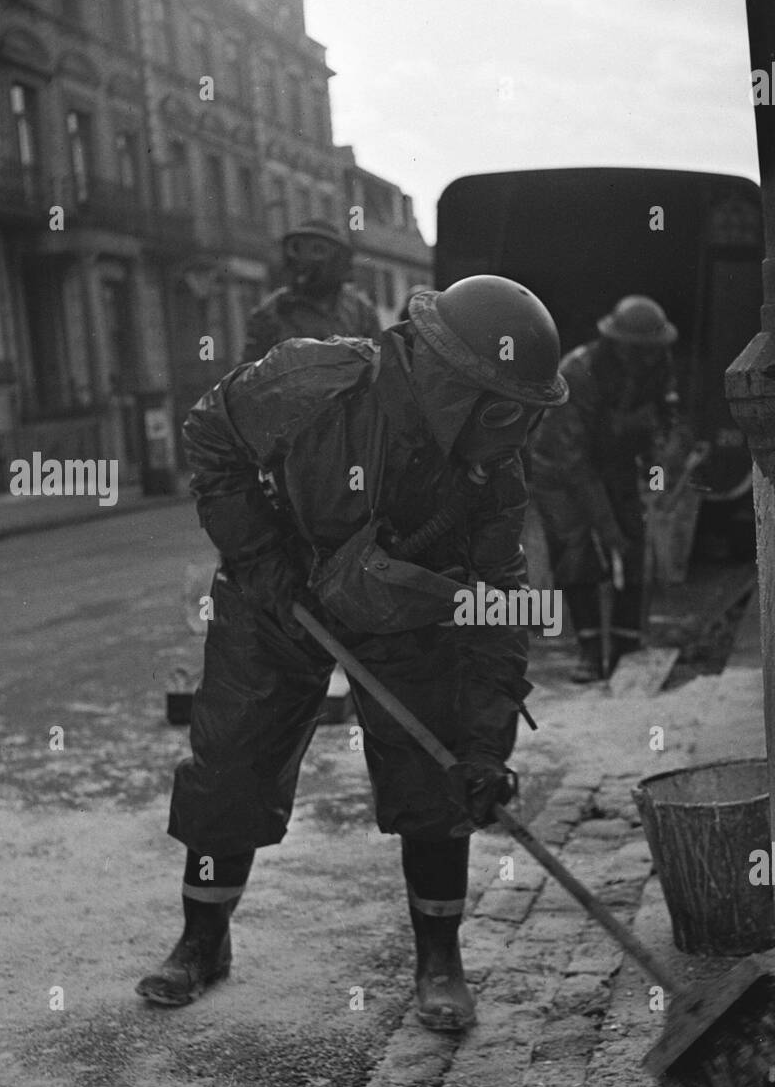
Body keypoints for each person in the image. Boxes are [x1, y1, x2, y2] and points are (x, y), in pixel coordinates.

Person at [137, 276, 569, 1032]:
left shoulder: (492, 473)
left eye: (526, 414)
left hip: (406, 607)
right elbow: (212, 437)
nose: (516, 433)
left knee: (437, 776)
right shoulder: (315, 379)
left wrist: (482, 742)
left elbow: (498, 600)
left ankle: (440, 960)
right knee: (232, 766)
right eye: (505, 410)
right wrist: (263, 557)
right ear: (449, 381)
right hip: (280, 592)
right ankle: (201, 941)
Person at [528, 295, 688, 681]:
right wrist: (607, 529)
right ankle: (589, 653)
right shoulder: (578, 373)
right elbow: (574, 464)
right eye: (642, 351)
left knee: (634, 546)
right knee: (576, 551)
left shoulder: (658, 364)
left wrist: (658, 465)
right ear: (619, 344)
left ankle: (626, 649)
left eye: (655, 351)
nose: (650, 358)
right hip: (560, 471)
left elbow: (664, 420)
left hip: (613, 463)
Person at [241, 220, 381, 361]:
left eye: (319, 250)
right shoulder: (271, 312)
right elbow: (250, 372)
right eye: (297, 248)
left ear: (339, 260)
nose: (305, 261)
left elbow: (381, 364)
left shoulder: (360, 310)